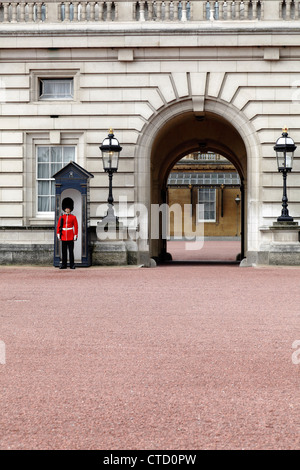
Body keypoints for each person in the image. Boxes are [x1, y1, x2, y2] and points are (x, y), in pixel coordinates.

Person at [56, 197, 78, 269]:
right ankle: (64, 264)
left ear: (70, 209)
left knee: (71, 251)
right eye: (66, 208)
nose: (67, 210)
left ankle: (72, 264)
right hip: (63, 235)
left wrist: (75, 235)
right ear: (64, 209)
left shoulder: (73, 217)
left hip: (70, 235)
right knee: (64, 252)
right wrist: (58, 234)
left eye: (68, 209)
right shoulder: (62, 217)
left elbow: (76, 226)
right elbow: (59, 225)